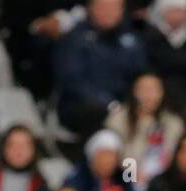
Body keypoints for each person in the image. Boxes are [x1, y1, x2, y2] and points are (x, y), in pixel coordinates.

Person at [53, 0, 147, 139]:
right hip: (83, 107)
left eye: (114, 7)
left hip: (124, 105)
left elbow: (140, 75)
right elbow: (72, 81)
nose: (108, 13)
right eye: (103, 7)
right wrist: (109, 104)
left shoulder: (132, 39)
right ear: (90, 9)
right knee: (97, 114)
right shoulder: (75, 39)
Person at [104, 72, 185, 191]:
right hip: (125, 181)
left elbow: (173, 156)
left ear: (162, 92)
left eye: (154, 89)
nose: (149, 95)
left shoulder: (174, 123)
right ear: (134, 91)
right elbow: (114, 157)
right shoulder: (117, 120)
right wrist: (134, 175)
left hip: (162, 183)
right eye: (143, 89)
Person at [145, 0, 186, 115]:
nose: (178, 15)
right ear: (163, 12)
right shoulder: (151, 39)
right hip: (157, 99)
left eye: (182, 11)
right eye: (174, 11)